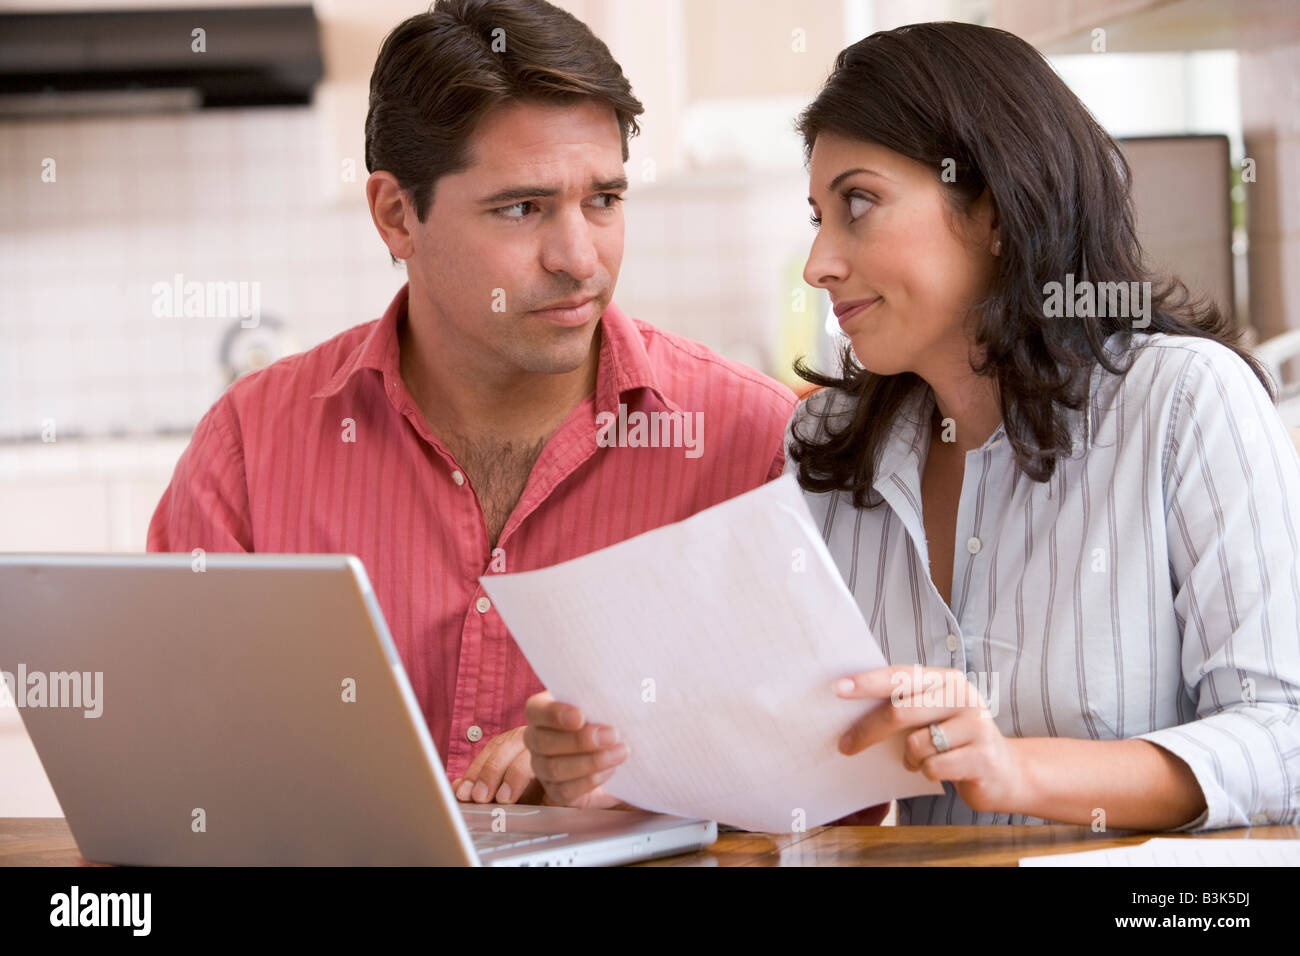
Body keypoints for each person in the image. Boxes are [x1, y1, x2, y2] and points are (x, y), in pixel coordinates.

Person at [524, 21, 1300, 831]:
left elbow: (1285, 739)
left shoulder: (1182, 405)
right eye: (819, 215)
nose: (820, 261)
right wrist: (631, 770)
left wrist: (1014, 768)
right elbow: (804, 772)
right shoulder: (824, 450)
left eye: (858, 204)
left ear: (996, 209)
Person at [147, 0, 795, 807]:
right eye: (520, 208)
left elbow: (835, 793)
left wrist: (635, 770)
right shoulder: (251, 445)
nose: (577, 257)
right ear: (396, 215)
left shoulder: (755, 444)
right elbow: (171, 767)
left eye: (603, 199)